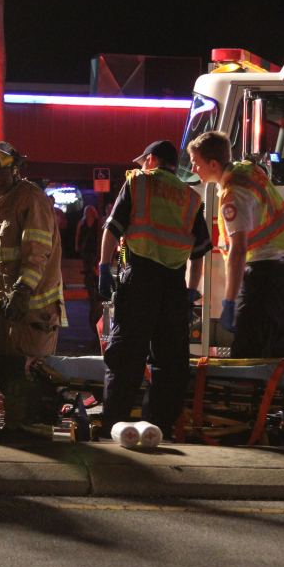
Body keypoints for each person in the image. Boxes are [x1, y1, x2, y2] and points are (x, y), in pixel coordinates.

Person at [97, 140, 211, 440]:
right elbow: (199, 253)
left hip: (140, 280)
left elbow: (112, 229)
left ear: (150, 160)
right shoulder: (191, 197)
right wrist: (190, 291)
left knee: (126, 358)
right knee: (170, 363)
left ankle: (115, 425)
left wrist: (104, 267)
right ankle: (158, 427)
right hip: (174, 286)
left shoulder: (139, 183)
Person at [0, 140, 65, 440]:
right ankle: (13, 426)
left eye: (2, 174)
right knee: (8, 370)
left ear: (16, 170)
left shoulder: (31, 200)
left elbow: (37, 251)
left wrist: (23, 291)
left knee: (31, 368)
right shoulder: (2, 207)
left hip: (34, 306)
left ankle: (34, 429)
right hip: (10, 310)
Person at [187, 130, 284, 358]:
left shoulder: (233, 193)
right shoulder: (248, 171)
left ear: (213, 164)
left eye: (195, 163)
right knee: (278, 357)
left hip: (262, 281)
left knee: (247, 359)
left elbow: (238, 249)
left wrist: (229, 301)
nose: (193, 170)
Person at [75, 204, 102, 333]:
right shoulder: (83, 221)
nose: (90, 211)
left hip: (94, 248)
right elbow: (78, 233)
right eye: (88, 209)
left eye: (92, 209)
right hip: (86, 248)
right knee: (87, 266)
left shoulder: (98, 222)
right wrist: (76, 245)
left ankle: (93, 280)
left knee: (94, 265)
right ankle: (89, 281)